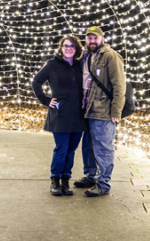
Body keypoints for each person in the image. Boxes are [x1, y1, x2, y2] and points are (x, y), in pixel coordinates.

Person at [31, 35, 86, 196]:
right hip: (60, 114)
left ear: (76, 49)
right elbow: (36, 82)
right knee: (61, 148)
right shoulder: (52, 64)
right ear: (61, 48)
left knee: (71, 150)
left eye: (72, 46)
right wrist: (46, 100)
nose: (69, 48)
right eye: (66, 45)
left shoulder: (80, 65)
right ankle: (55, 179)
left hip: (78, 115)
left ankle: (65, 180)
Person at [80, 26, 126, 197]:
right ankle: (91, 176)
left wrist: (116, 111)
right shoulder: (85, 56)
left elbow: (119, 86)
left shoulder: (111, 56)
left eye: (95, 38)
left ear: (102, 39)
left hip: (104, 111)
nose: (92, 41)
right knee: (88, 146)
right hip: (87, 109)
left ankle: (103, 183)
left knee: (103, 148)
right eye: (89, 38)